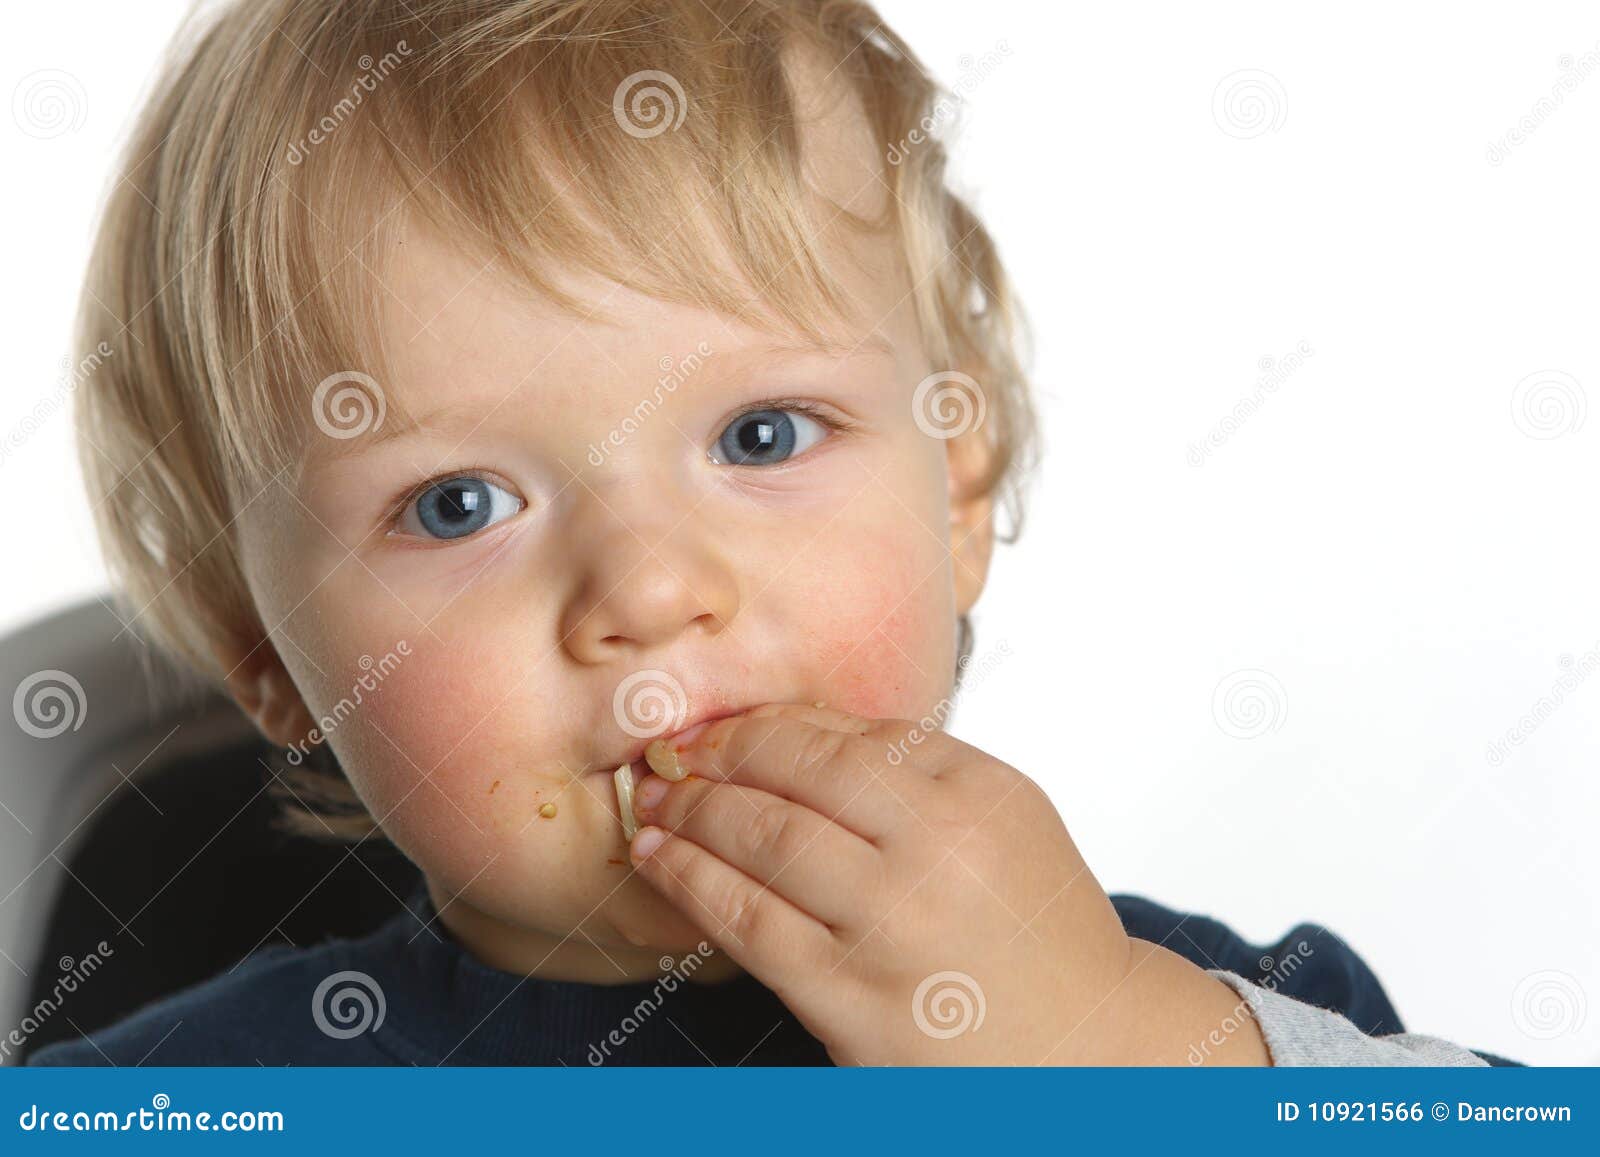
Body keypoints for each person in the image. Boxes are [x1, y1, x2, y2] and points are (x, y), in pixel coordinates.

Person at [31, 0, 1506, 1066]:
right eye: (458, 504)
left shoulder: (1206, 1018)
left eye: (762, 435)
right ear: (262, 649)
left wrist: (1114, 1052)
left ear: (957, 487)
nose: (653, 589)